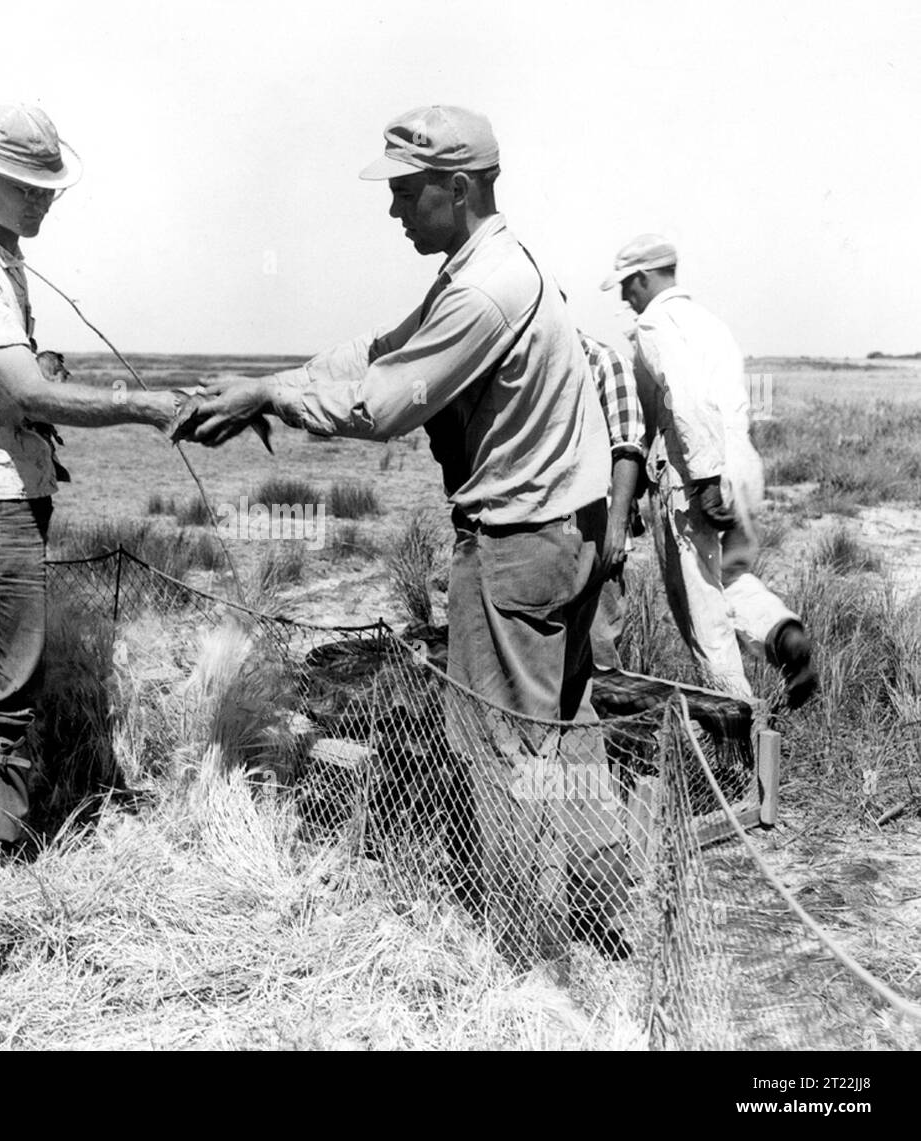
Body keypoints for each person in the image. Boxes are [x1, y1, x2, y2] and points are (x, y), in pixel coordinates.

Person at [176, 105, 630, 958]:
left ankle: (532, 964)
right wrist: (268, 384)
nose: (393, 211)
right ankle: (606, 913)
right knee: (564, 737)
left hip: (514, 550)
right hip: (562, 543)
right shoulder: (496, 267)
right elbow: (382, 348)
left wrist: (270, 399)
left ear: (458, 189)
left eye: (406, 192)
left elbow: (381, 402)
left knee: (507, 755)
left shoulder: (484, 290)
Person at [0, 103, 187, 879]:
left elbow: (4, 386)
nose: (42, 200)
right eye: (25, 185)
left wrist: (34, 402)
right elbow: (25, 390)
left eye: (48, 187)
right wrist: (142, 406)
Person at [600, 234, 817, 706]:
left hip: (694, 474)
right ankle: (780, 633)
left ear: (641, 278)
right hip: (741, 467)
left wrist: (701, 480)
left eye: (625, 286)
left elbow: (687, 397)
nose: (623, 298)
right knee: (730, 578)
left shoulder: (656, 323)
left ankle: (734, 729)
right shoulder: (710, 322)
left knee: (701, 611)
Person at [578, 329, 646, 670]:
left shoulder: (604, 362)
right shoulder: (533, 362)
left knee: (599, 641)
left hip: (599, 525)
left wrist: (616, 529)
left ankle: (600, 720)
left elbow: (628, 447)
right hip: (551, 529)